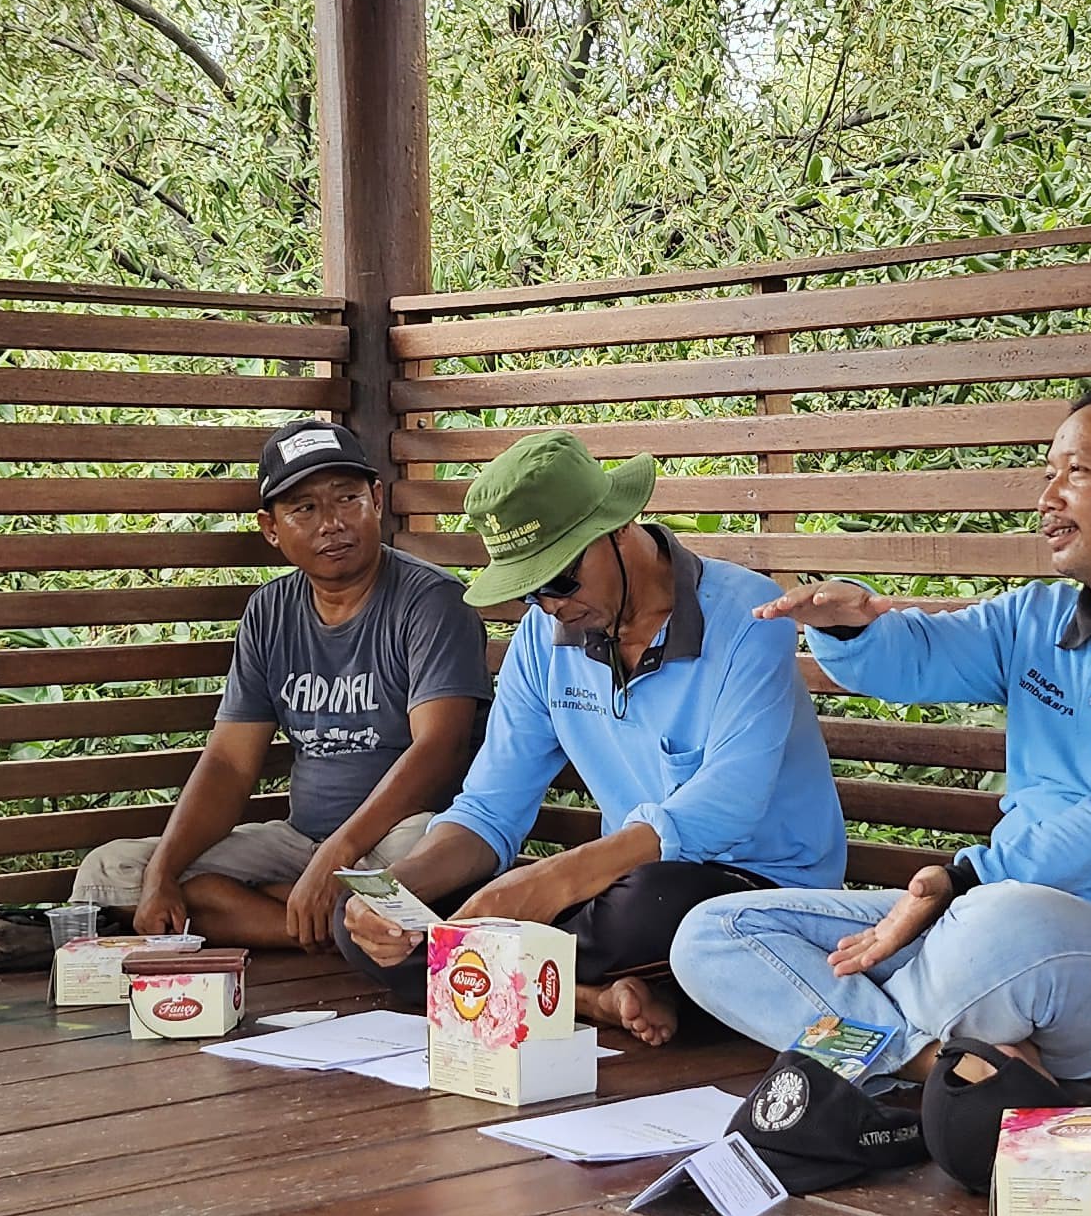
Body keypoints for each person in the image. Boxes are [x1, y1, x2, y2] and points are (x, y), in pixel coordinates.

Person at [674, 380, 1091, 1082]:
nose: (1049, 497)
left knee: (1001, 925)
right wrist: (850, 626)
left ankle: (887, 1042)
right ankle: (928, 1063)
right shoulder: (1035, 618)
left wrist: (962, 879)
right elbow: (919, 656)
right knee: (715, 932)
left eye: (1077, 472)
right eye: (1048, 475)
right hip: (985, 919)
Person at [335, 430, 844, 1046]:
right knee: (365, 925)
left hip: (752, 888)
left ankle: (510, 978)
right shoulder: (540, 638)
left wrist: (550, 883)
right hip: (614, 885)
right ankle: (589, 999)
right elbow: (490, 808)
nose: (549, 605)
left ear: (620, 528)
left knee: (650, 907)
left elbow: (727, 805)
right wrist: (403, 889)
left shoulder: (749, 615)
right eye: (529, 589)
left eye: (561, 579)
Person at [75, 421, 490, 950]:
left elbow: (439, 748)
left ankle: (302, 913)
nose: (332, 523)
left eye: (347, 499)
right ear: (270, 528)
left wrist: (337, 854)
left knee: (424, 866)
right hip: (300, 843)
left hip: (398, 839)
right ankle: (333, 928)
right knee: (109, 872)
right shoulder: (269, 612)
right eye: (305, 509)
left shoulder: (431, 601)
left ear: (377, 499)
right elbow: (229, 763)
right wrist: (163, 872)